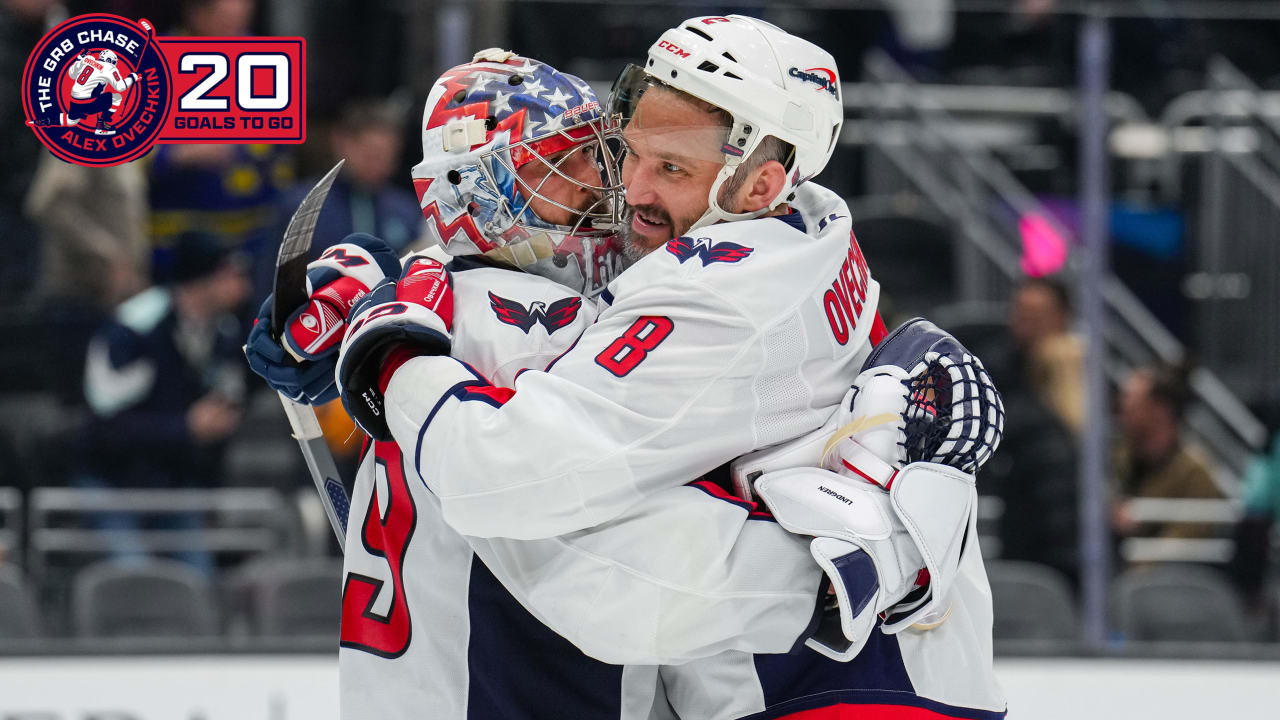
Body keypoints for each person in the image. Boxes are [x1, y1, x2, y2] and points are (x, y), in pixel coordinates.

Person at [326, 17, 1002, 718]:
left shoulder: (715, 298)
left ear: (758, 181)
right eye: (629, 153)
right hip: (859, 678)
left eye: (671, 169)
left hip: (846, 688)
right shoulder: (800, 218)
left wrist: (390, 350)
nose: (629, 193)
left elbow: (511, 478)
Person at [79, 231, 250, 572]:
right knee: (136, 580)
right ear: (201, 279)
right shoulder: (134, 329)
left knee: (198, 583)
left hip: (177, 485)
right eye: (230, 274)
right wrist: (183, 428)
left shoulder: (227, 332)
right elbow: (103, 425)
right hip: (115, 483)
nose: (242, 284)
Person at [1112, 364, 1223, 544]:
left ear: (1160, 410)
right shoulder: (1118, 459)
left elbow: (1183, 542)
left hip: (1167, 569)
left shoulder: (1194, 473)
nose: (1122, 409)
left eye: (1131, 401)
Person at [1008, 275, 1084, 435]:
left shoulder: (1073, 358)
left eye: (1036, 317)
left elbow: (1077, 428)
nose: (1026, 326)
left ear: (1062, 317)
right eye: (1022, 315)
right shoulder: (996, 363)